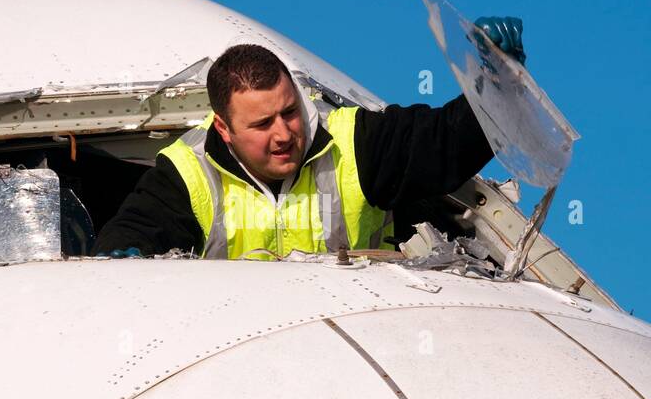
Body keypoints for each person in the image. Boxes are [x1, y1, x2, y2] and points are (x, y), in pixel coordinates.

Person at [94, 17, 525, 259]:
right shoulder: (187, 172)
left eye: (289, 113)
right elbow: (132, 233)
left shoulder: (353, 140)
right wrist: (124, 258)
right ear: (223, 130)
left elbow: (446, 143)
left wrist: (498, 81)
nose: (283, 134)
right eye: (262, 125)